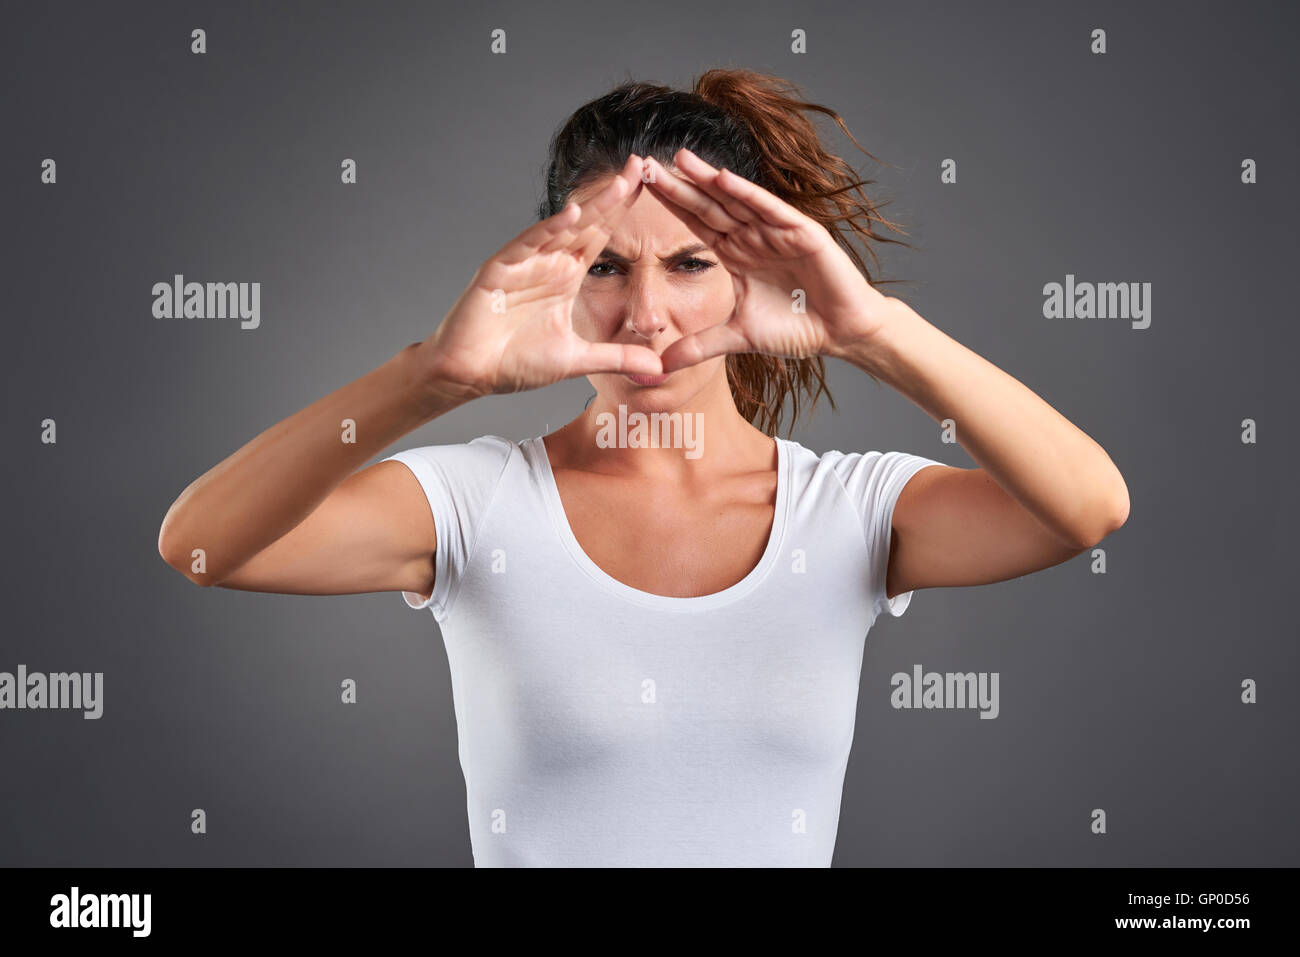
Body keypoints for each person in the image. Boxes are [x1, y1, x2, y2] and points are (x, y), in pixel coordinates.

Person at [157, 69, 1129, 867]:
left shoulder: (847, 511)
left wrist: (870, 331)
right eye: (608, 267)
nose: (647, 316)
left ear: (752, 270)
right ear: (556, 269)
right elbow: (200, 546)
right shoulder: (476, 506)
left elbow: (1087, 509)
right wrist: (432, 378)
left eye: (692, 264)